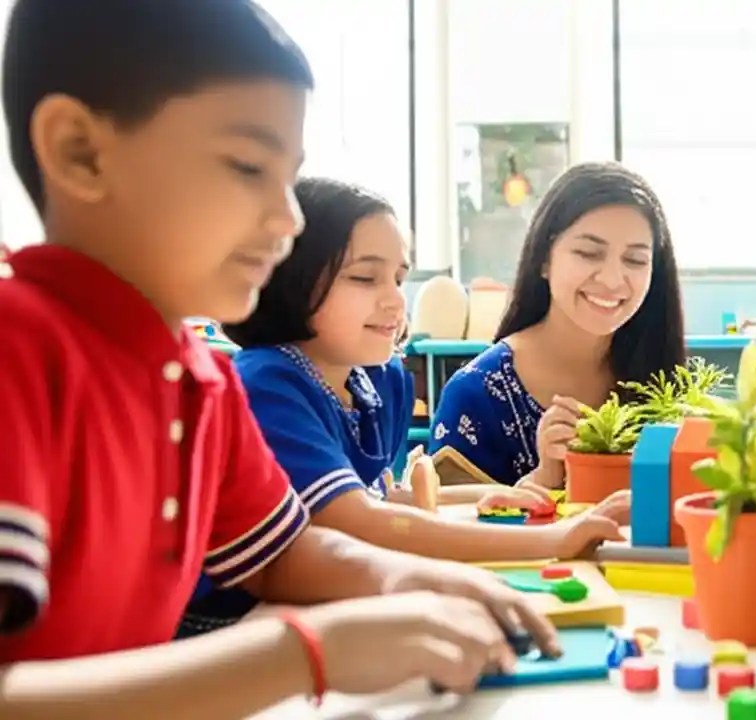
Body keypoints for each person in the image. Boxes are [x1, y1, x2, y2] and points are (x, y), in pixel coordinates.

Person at [0, 2, 558, 717]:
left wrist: (410, 581)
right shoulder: (19, 350)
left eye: (288, 178)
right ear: (80, 152)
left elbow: (282, 554)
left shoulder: (200, 379)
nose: (289, 219)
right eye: (247, 166)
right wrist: (309, 652)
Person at [180, 177, 628, 634]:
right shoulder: (267, 385)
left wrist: (478, 497)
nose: (396, 300)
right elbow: (359, 523)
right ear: (288, 277)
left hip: (319, 608)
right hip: (228, 629)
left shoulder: (380, 381)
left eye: (399, 278)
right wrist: (553, 540)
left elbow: (377, 499)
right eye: (364, 277)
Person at [428, 162, 686, 488]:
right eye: (588, 253)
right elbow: (443, 515)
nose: (612, 279)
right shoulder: (476, 394)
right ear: (544, 259)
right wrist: (542, 479)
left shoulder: (666, 382)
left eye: (635, 260)